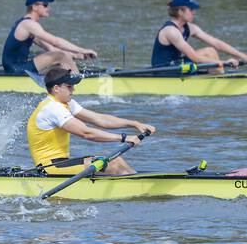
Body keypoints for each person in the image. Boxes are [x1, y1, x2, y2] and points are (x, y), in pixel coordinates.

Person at [26, 67, 155, 176]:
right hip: (49, 168)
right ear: (56, 88)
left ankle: (136, 183)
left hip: (61, 163)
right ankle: (135, 190)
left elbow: (99, 119)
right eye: (69, 87)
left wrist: (135, 123)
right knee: (113, 165)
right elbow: (86, 133)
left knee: (118, 160)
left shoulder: (65, 103)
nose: (73, 90)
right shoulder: (52, 108)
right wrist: (124, 138)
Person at [150, 0, 247, 71]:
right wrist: (225, 63)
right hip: (164, 70)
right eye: (191, 9)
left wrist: (243, 56)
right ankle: (219, 80)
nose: (194, 12)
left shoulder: (190, 28)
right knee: (209, 53)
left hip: (177, 66)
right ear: (180, 11)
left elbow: (216, 43)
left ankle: (218, 77)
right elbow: (194, 58)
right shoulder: (171, 31)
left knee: (210, 50)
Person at [1, 0, 97, 75]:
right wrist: (83, 50)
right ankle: (78, 83)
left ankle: (66, 83)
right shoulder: (28, 24)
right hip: (15, 69)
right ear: (34, 7)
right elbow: (56, 42)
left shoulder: (29, 26)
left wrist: (77, 55)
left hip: (18, 67)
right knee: (60, 56)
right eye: (45, 5)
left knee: (59, 61)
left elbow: (51, 48)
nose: (48, 8)